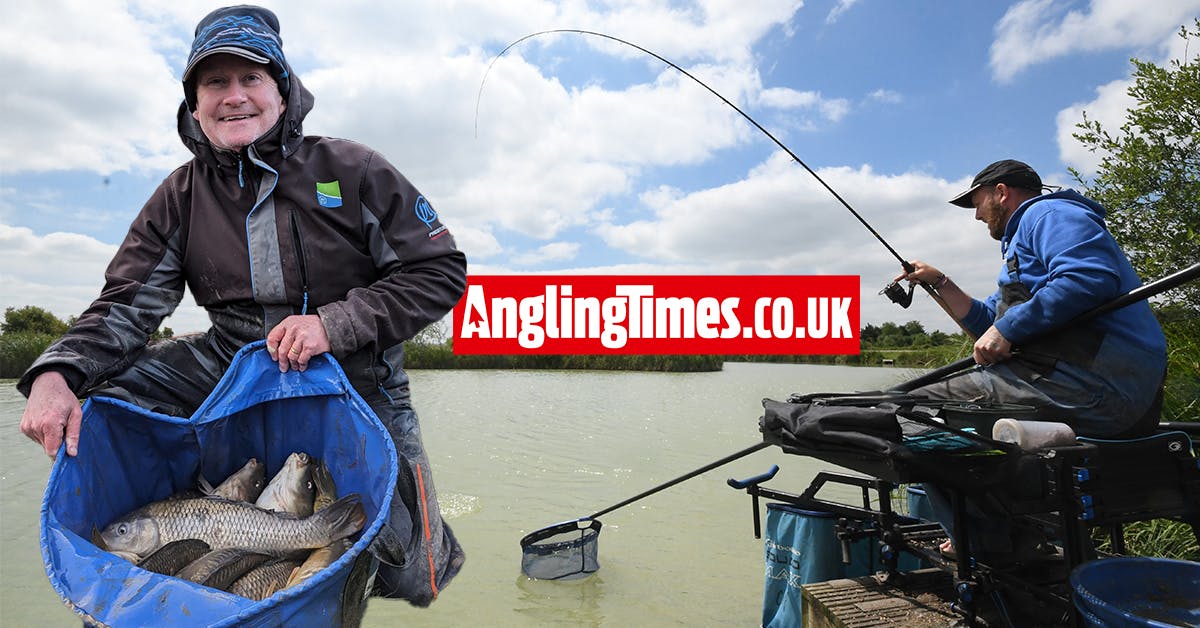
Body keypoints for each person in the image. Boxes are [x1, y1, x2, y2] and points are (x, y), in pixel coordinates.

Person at [17, 5, 465, 606]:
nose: (235, 97)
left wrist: (337, 323)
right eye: (215, 82)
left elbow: (437, 270)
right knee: (106, 401)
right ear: (194, 103)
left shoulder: (353, 169)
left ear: (283, 91)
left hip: (356, 369)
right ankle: (189, 542)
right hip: (231, 360)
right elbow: (127, 304)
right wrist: (56, 371)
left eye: (251, 78)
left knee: (414, 573)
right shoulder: (179, 195)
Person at [895, 158, 1167, 563]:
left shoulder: (1049, 213)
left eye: (977, 202)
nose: (976, 214)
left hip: (1095, 387)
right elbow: (990, 324)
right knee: (923, 415)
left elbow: (1088, 278)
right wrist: (939, 282)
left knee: (907, 412)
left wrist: (1007, 331)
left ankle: (989, 544)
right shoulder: (1024, 243)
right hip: (1076, 385)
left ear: (1001, 192)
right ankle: (1000, 536)